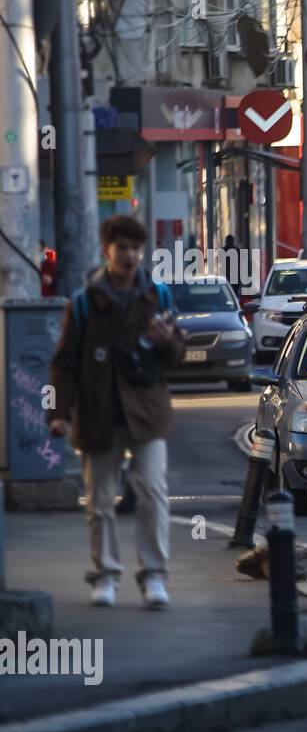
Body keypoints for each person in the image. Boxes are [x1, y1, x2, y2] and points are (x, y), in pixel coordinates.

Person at [47, 215, 185, 609]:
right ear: (107, 250)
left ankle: (155, 577)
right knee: (100, 499)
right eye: (122, 247)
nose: (129, 255)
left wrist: (166, 342)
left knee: (153, 493)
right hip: (98, 412)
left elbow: (177, 355)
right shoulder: (85, 302)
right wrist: (58, 412)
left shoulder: (157, 296)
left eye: (135, 248)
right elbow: (64, 364)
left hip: (147, 411)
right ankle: (105, 575)